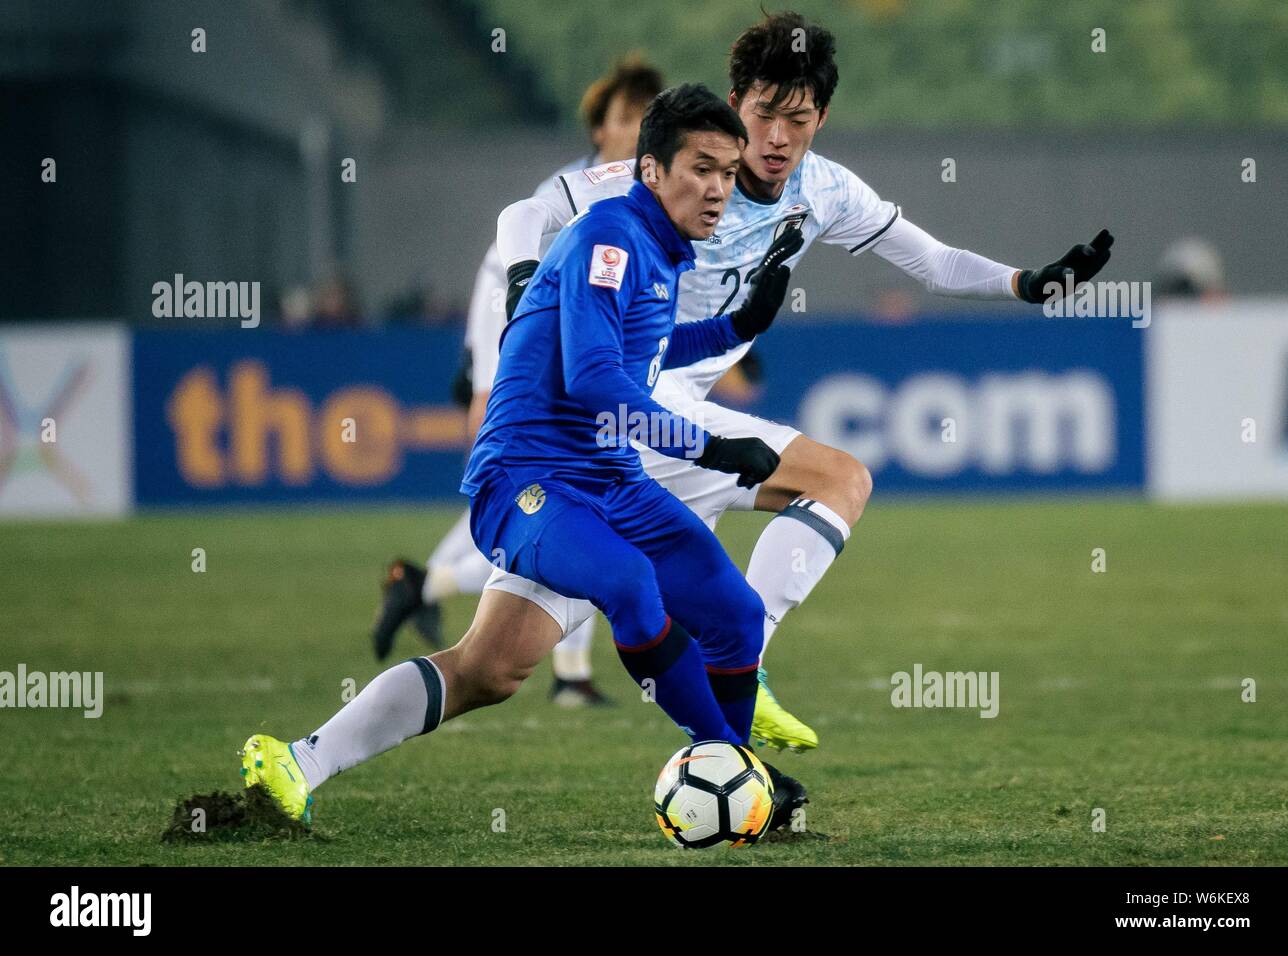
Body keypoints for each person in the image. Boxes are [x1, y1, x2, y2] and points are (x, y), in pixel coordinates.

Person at [478, 10, 1115, 751]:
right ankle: (742, 673)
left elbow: (935, 261)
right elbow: (523, 212)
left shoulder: (828, 192)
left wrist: (1027, 282)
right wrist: (525, 284)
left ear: (823, 117)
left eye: (799, 118)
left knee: (490, 667)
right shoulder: (665, 175)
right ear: (736, 104)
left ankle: (310, 760)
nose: (779, 138)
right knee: (840, 479)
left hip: (658, 416)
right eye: (764, 115)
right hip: (633, 408)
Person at [240, 84, 809, 829]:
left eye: (730, 173)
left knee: (703, 620)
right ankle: (732, 765)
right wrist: (710, 446)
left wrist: (742, 321)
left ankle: (296, 760)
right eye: (702, 167)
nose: (718, 189)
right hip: (527, 480)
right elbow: (597, 382)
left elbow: (650, 349)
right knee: (630, 583)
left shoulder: (661, 248)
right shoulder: (612, 238)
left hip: (610, 481)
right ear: (650, 171)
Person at [373, 55, 664, 709]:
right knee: (575, 514)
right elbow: (500, 264)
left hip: (583, 377)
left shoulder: (651, 193)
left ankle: (445, 597)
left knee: (576, 513)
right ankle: (440, 595)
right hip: (541, 379)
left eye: (649, 114)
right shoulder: (577, 188)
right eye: (627, 117)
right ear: (602, 130)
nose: (639, 127)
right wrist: (483, 368)